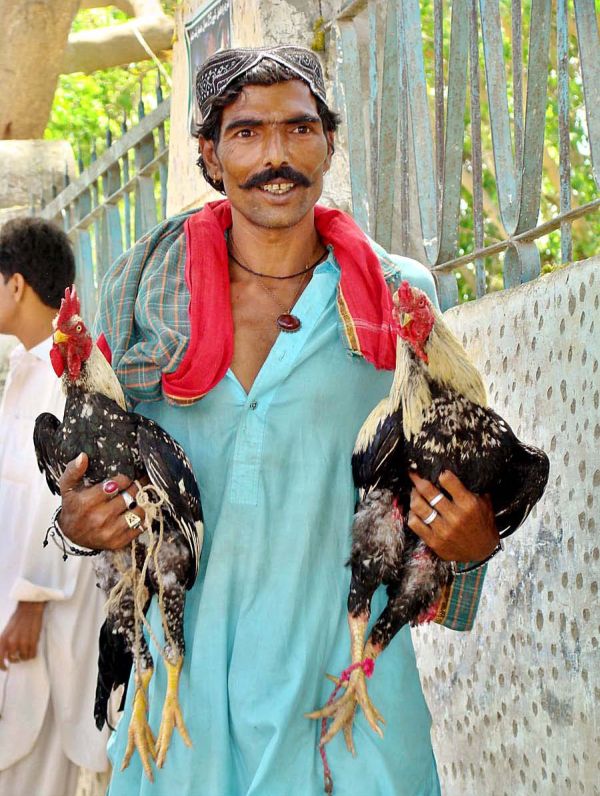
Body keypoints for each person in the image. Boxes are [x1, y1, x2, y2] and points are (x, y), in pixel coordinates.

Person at [58, 46, 499, 795]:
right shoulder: (142, 295)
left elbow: (449, 490)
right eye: (247, 132)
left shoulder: (395, 298)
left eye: (300, 129)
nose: (277, 156)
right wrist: (80, 521)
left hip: (345, 697)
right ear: (208, 151)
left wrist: (473, 539)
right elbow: (97, 486)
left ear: (330, 141)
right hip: (185, 698)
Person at [0, 218, 109, 796]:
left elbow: (66, 494)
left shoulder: (64, 375)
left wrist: (31, 604)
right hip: (14, 613)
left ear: (16, 285)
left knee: (34, 768)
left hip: (39, 619)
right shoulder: (25, 372)